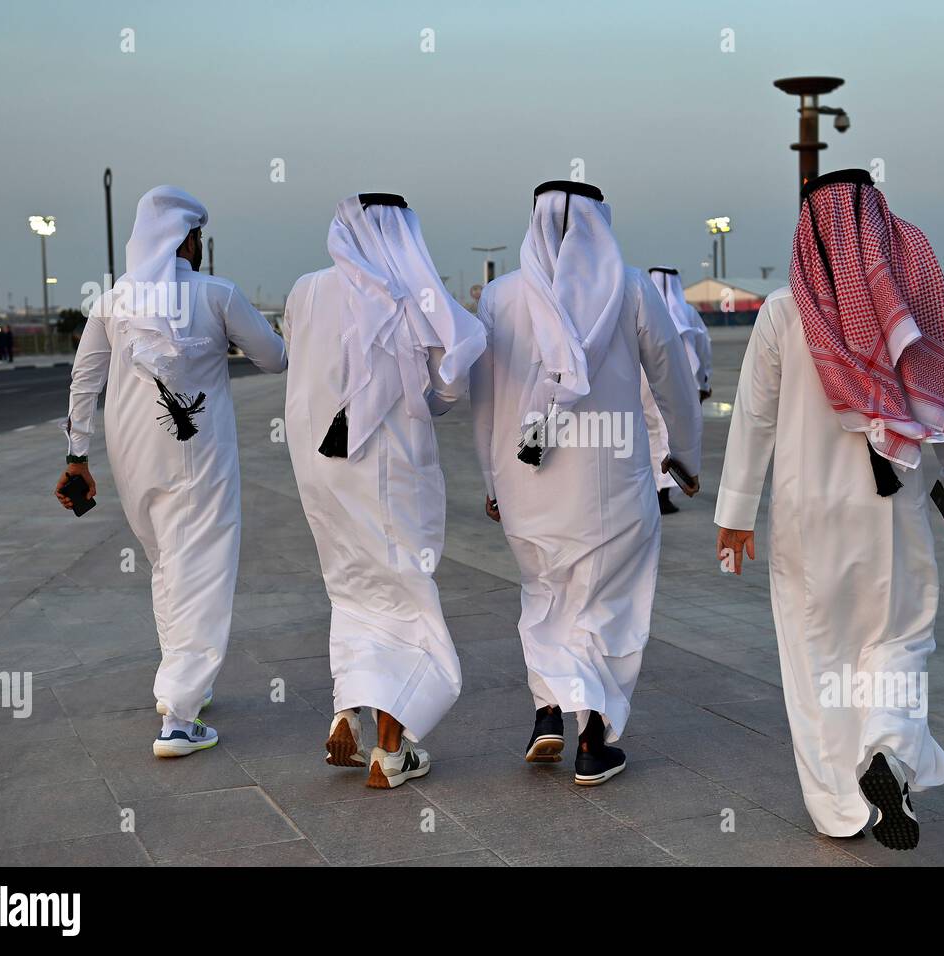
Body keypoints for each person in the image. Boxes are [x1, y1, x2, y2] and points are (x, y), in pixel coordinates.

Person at [714, 169, 944, 850]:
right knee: (899, 641)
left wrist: (734, 513)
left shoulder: (783, 312)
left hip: (803, 518)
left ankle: (839, 810)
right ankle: (890, 754)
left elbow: (754, 420)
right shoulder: (911, 309)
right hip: (892, 513)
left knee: (818, 654)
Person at [471, 181, 702, 786]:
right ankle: (593, 739)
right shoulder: (631, 288)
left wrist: (491, 479)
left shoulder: (500, 296)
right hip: (617, 482)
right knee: (607, 601)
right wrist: (685, 455)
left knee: (543, 592)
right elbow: (673, 380)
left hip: (527, 479)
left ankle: (548, 712)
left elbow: (484, 402)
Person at [54, 186, 287, 758]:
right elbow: (275, 357)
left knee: (168, 567)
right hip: (198, 459)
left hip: (132, 461)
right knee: (201, 570)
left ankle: (181, 688)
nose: (200, 246)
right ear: (185, 238)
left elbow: (84, 381)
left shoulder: (111, 302)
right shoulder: (218, 293)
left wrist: (76, 456)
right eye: (198, 236)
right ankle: (180, 720)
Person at [282, 193, 485, 789]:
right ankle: (390, 752)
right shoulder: (416, 290)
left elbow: (304, 365)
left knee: (351, 587)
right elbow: (452, 375)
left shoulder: (305, 289)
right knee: (404, 592)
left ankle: (349, 703)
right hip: (392, 469)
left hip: (322, 466)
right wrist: (426, 403)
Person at [640, 266, 712, 514]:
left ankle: (656, 491)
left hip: (643, 383)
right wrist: (704, 383)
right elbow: (703, 347)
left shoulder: (642, 309)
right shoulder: (688, 313)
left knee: (652, 436)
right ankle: (664, 493)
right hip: (675, 383)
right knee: (669, 436)